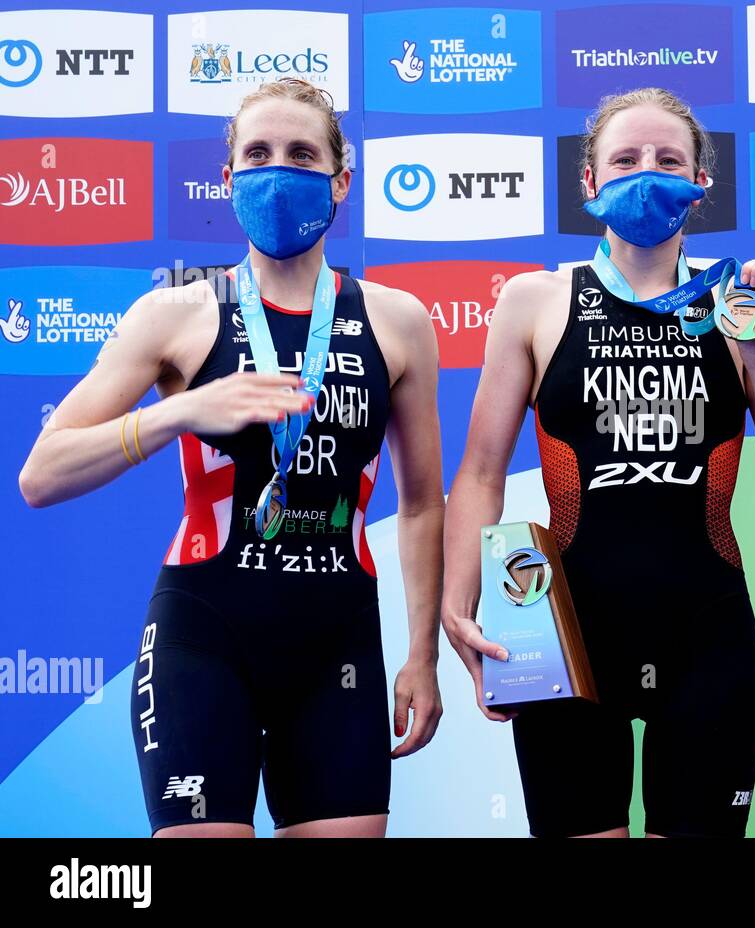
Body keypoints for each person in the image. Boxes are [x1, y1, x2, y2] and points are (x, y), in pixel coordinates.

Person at [18, 78, 446, 837]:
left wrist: (422, 656)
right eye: (258, 153)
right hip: (204, 633)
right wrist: (179, 411)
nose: (278, 170)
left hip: (337, 640)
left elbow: (420, 506)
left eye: (302, 153)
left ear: (340, 180)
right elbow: (40, 475)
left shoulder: (399, 320)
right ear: (228, 178)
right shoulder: (175, 313)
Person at [442, 87, 755, 838]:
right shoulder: (535, 301)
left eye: (668, 159)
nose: (646, 172)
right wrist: (460, 611)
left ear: (700, 185)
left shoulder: (740, 303)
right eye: (624, 159)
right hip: (567, 638)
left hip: (708, 639)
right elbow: (482, 471)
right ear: (588, 182)